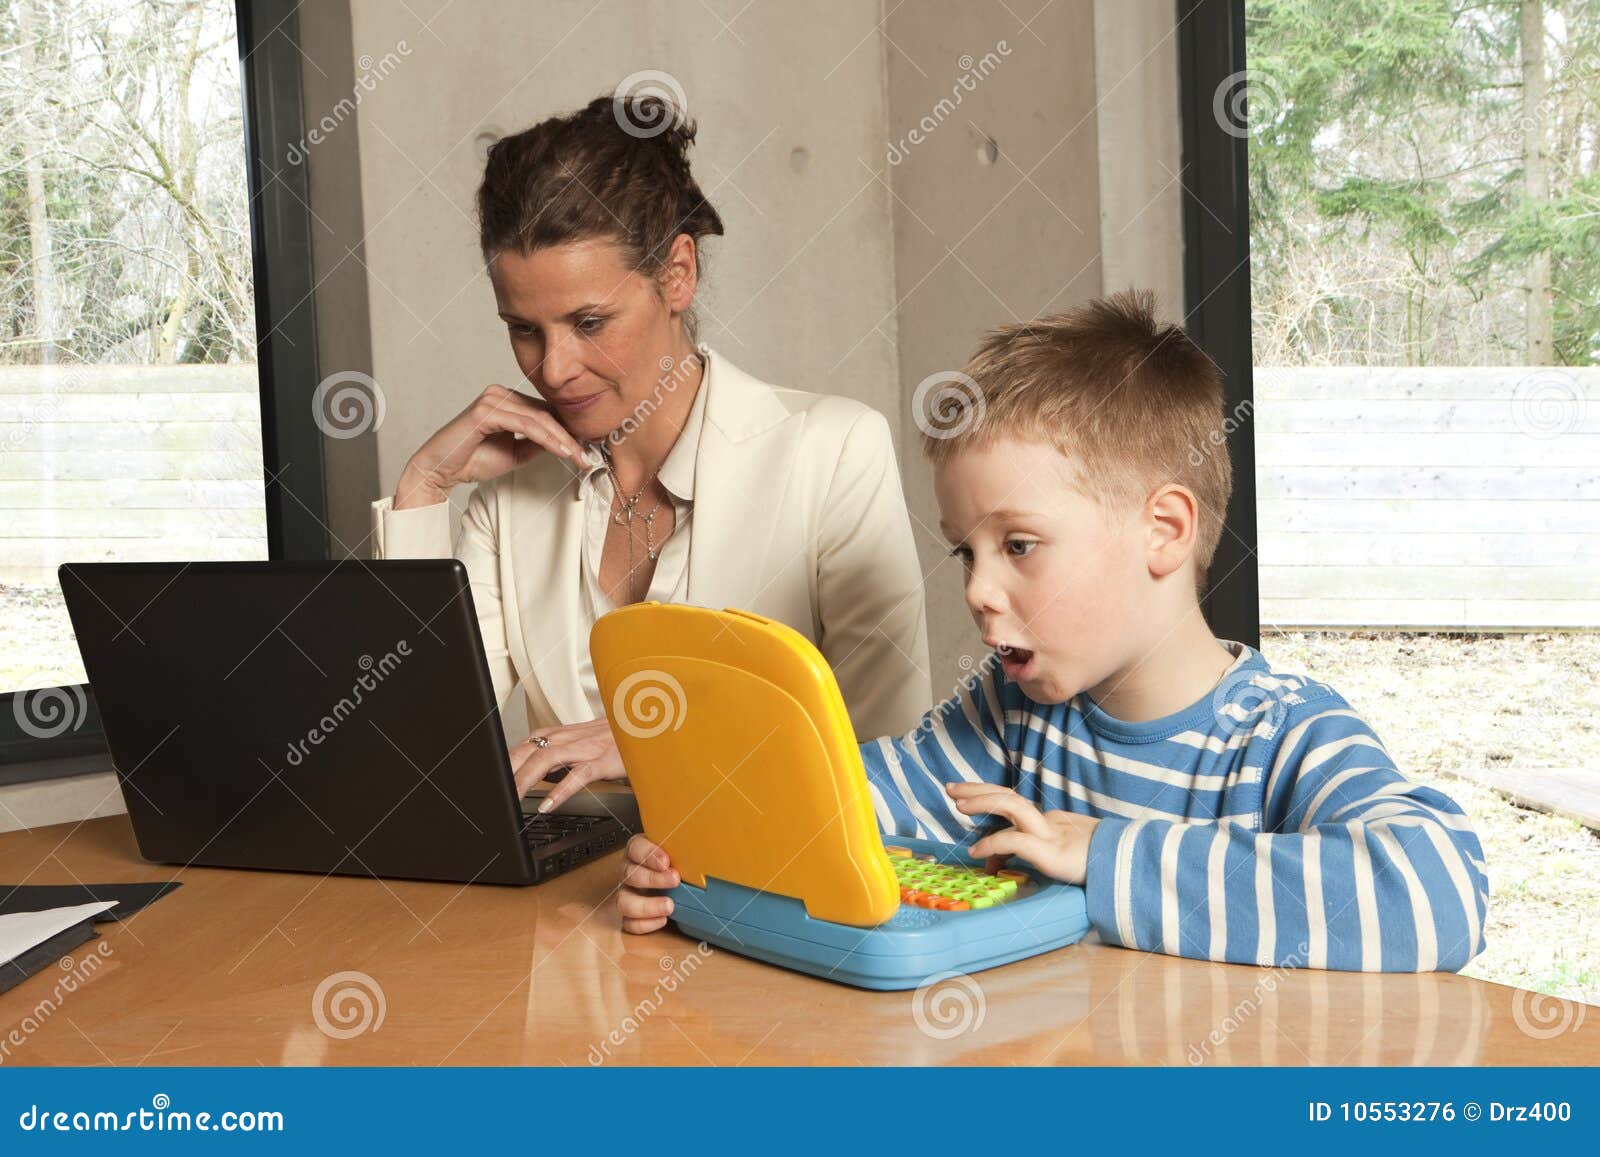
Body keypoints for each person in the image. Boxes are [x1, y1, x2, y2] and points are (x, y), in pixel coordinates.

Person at [619, 291, 1489, 972]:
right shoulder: (1008, 716)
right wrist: (688, 852)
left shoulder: (1282, 734)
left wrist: (1103, 853)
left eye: (1020, 545)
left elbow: (1437, 892)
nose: (979, 590)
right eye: (967, 552)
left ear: (1164, 530)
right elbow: (842, 802)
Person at [371, 93, 931, 806]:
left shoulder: (832, 452)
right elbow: (419, 749)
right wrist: (424, 487)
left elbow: (889, 755)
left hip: (756, 898)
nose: (554, 368)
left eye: (590, 320)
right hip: (557, 906)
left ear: (678, 275)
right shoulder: (507, 500)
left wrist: (648, 743)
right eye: (523, 329)